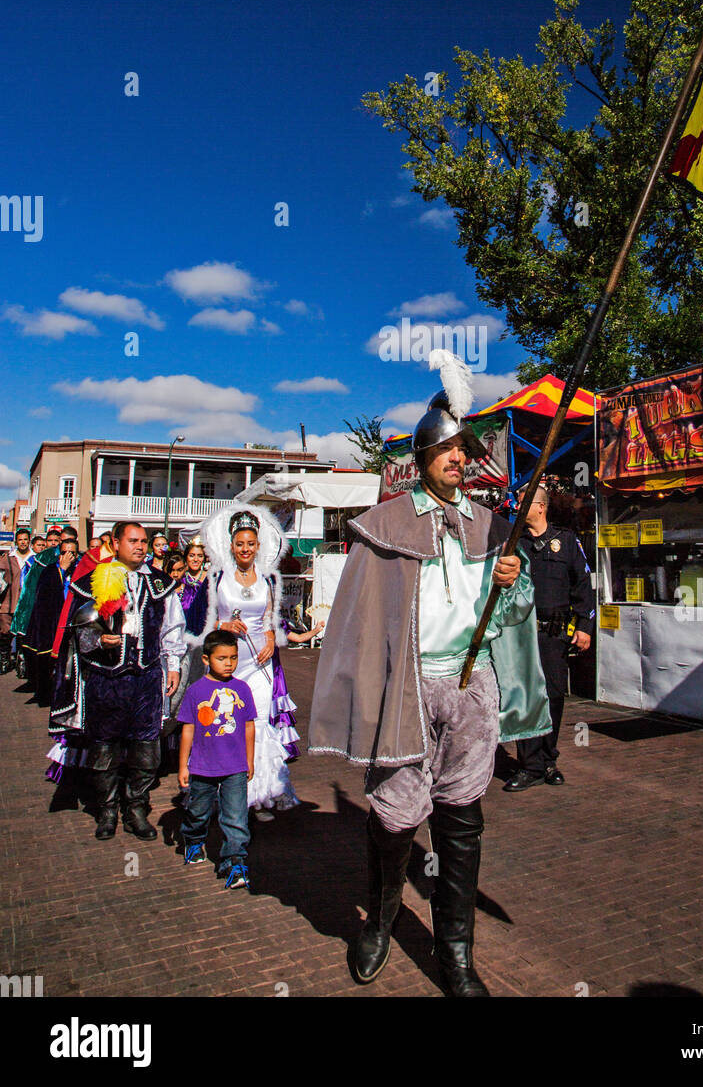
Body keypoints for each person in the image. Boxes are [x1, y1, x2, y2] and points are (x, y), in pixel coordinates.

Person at [309, 358, 551, 996]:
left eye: (461, 451)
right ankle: (380, 922)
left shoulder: (490, 527)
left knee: (462, 820)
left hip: (473, 687)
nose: (455, 459)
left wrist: (512, 578)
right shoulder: (386, 525)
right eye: (443, 450)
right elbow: (362, 620)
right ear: (421, 457)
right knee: (394, 819)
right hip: (409, 687)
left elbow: (520, 611)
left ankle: (456, 956)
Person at [49, 520, 186, 840]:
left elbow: (172, 627)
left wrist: (174, 664)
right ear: (115, 543)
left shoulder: (160, 583)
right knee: (104, 749)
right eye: (133, 540)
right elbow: (78, 631)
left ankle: (136, 808)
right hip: (106, 679)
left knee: (147, 751)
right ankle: (107, 810)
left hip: (146, 677)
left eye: (144, 541)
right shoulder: (93, 580)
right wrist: (97, 641)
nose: (140, 546)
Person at [191, 506, 301, 817]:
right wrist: (222, 626)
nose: (245, 549)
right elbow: (199, 621)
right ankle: (227, 796)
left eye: (251, 544)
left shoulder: (268, 580)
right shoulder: (217, 578)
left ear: (258, 546)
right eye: (240, 544)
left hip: (260, 662)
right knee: (227, 724)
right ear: (230, 545)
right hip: (227, 662)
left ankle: (260, 795)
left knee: (258, 724)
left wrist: (270, 636)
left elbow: (270, 619)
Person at [504, 485, 595, 792]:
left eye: (523, 501)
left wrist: (585, 626)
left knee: (553, 697)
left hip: (554, 634)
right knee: (526, 699)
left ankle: (548, 760)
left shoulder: (566, 541)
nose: (517, 506)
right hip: (523, 634)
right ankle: (528, 765)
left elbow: (583, 585)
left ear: (540, 507)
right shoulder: (514, 543)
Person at [177, 629, 257, 890]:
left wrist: (250, 759)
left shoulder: (242, 689)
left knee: (236, 817)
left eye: (233, 658)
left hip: (234, 766)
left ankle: (234, 861)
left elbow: (248, 727)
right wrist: (183, 765)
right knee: (198, 811)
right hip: (202, 766)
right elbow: (187, 728)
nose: (229, 663)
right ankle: (193, 839)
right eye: (222, 658)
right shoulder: (196, 691)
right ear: (206, 659)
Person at [24, 531, 79, 705]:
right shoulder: (50, 571)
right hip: (53, 624)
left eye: (71, 553)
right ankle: (47, 694)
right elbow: (43, 597)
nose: (67, 557)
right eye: (64, 553)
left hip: (74, 622)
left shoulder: (81, 572)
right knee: (49, 662)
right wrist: (61, 571)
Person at [0, 526, 36, 674]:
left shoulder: (35, 559)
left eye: (25, 540)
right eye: (20, 540)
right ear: (16, 541)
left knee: (23, 633)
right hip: (8, 602)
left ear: (29, 541)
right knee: (5, 632)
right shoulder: (7, 558)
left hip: (26, 603)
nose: (23, 542)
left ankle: (22, 662)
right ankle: (4, 660)